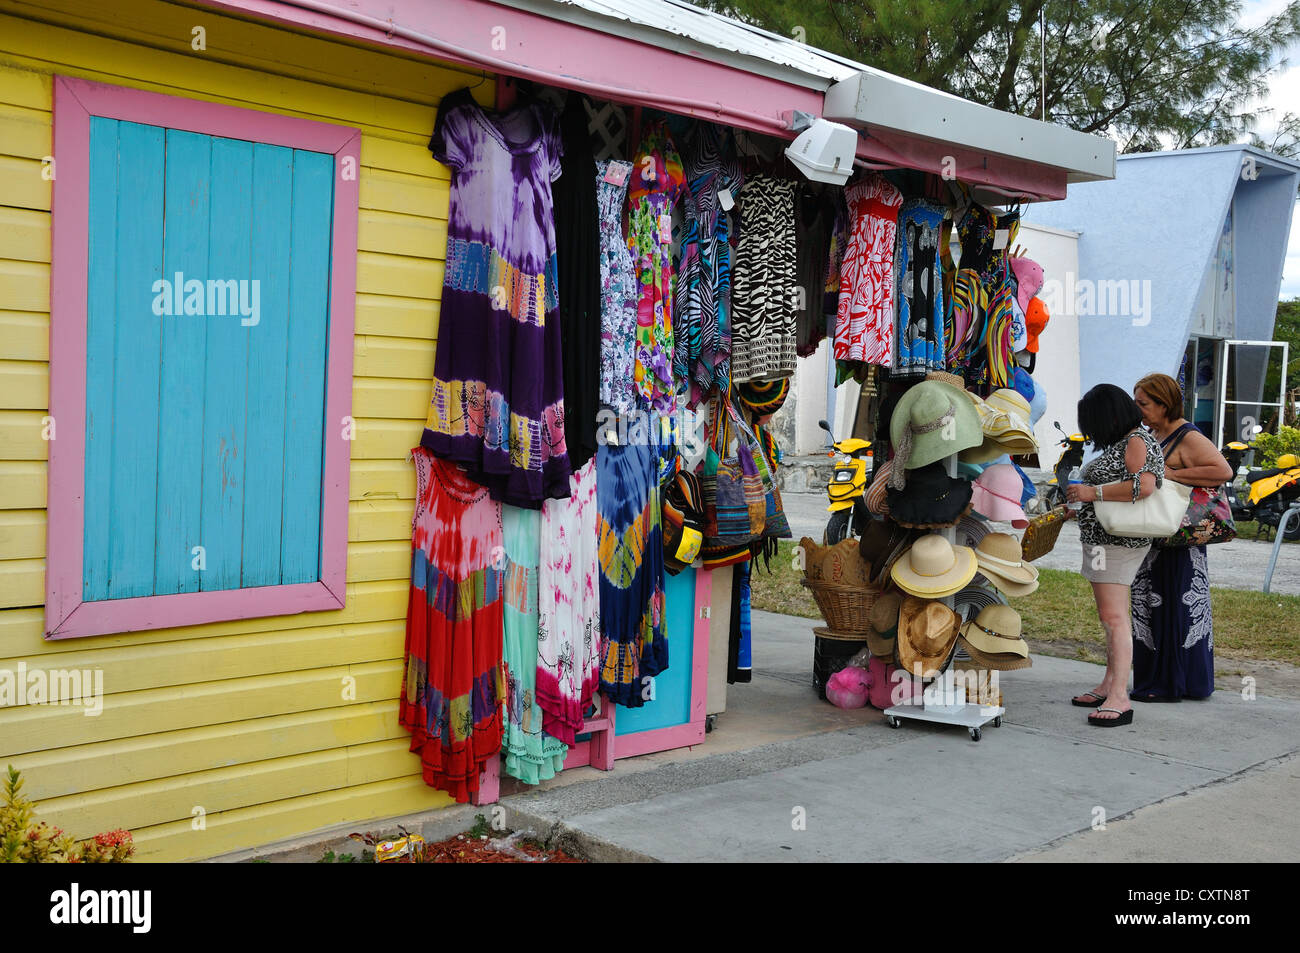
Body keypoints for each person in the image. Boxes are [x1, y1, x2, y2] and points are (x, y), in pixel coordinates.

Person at [1065, 383, 1165, 726]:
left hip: (1115, 544)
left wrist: (1091, 492)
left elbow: (1144, 486)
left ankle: (1120, 696)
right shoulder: (1129, 441)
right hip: (1101, 542)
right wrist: (1083, 504)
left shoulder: (1137, 441)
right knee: (1110, 616)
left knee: (1114, 618)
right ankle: (1110, 683)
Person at [1129, 373, 1233, 701]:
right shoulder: (1154, 432)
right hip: (1159, 537)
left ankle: (1172, 683)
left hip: (1180, 541)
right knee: (1151, 607)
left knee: (1176, 608)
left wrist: (1172, 473)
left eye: (1144, 403)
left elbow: (1223, 471)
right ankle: (1170, 681)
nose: (1139, 409)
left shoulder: (1187, 435)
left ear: (1164, 404)